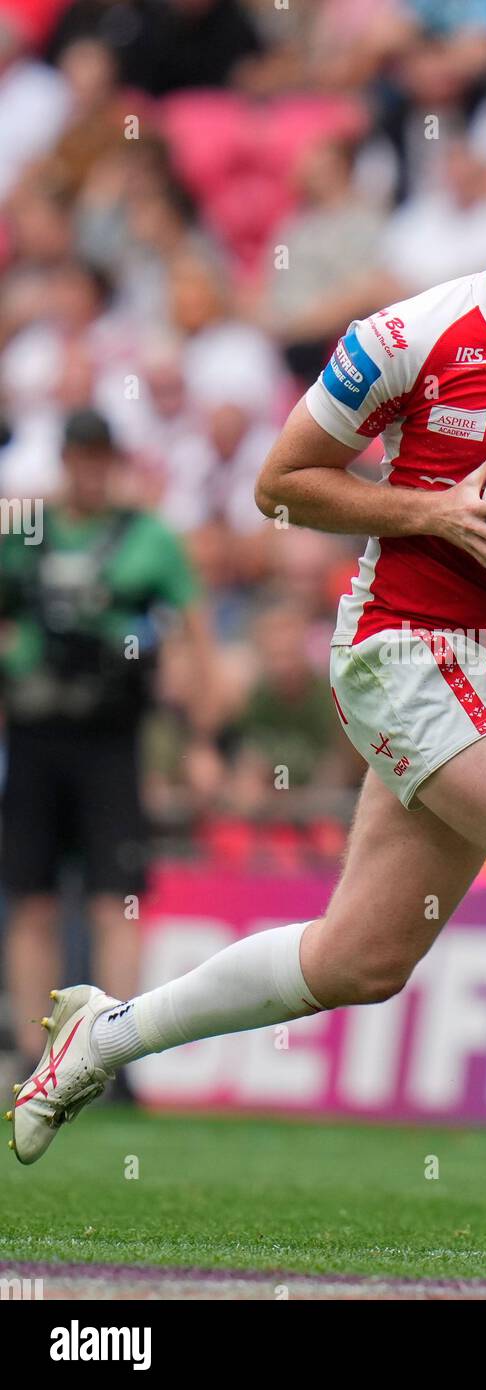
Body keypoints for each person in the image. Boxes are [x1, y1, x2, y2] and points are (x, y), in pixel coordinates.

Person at [8, 113, 486, 1259]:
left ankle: (101, 1037)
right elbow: (282, 484)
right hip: (403, 647)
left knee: (359, 959)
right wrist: (431, 508)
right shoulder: (412, 335)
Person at [0, 408, 219, 1078]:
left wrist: (199, 738)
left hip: (111, 738)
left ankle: (108, 1054)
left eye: (100, 459)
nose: (89, 471)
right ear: (65, 461)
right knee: (30, 897)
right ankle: (32, 1053)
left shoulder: (146, 537)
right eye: (79, 458)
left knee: (114, 897)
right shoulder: (24, 531)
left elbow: (191, 630)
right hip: (35, 732)